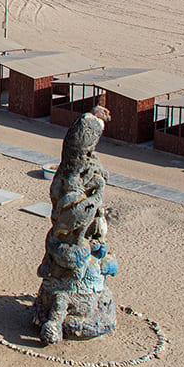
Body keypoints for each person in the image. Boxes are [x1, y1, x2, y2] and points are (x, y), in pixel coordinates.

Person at [35, 105, 118, 343]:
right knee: (79, 259)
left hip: (77, 235)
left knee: (98, 259)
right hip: (69, 240)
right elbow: (70, 211)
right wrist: (94, 195)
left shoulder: (85, 166)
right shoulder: (71, 176)